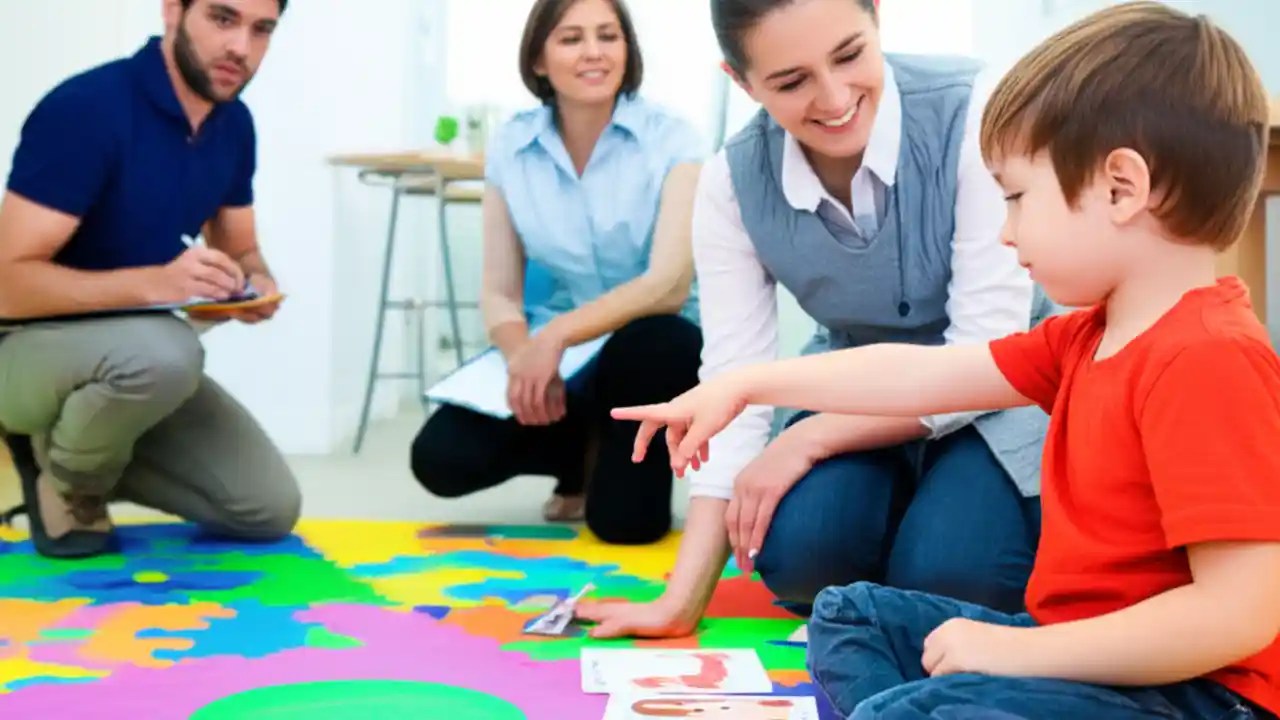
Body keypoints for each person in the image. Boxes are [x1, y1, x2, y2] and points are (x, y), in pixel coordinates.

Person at [613, 2, 1280, 717]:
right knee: (847, 617)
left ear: (1122, 187)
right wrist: (746, 385)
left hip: (1188, 696)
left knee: (934, 694)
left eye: (1019, 199)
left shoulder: (1208, 360)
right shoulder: (1085, 336)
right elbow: (914, 372)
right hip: (1071, 655)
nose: (1007, 230)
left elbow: (1240, 615)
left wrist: (1019, 655)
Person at [576, 0, 1048, 638]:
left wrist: (809, 437)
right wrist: (682, 601)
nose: (834, 97)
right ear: (741, 82)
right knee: (799, 559)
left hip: (996, 389)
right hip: (852, 387)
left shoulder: (971, 114)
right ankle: (914, 511)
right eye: (791, 82)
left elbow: (985, 355)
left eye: (851, 54)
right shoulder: (733, 180)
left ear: (877, 15)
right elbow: (732, 381)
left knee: (957, 580)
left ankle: (940, 515)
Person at [0, 0, 299, 559]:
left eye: (262, 30)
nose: (242, 47)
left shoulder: (233, 124)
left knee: (266, 508)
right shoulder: (86, 109)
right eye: (222, 18)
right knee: (167, 350)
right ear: (172, 10)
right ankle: (68, 480)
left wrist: (253, 285)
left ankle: (73, 447)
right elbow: (7, 287)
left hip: (132, 358)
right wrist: (158, 285)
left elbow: (243, 249)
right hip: (21, 351)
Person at [409, 0, 705, 544]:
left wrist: (555, 336)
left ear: (627, 49)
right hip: (569, 356)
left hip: (653, 349)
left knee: (625, 526)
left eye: (608, 36)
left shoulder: (675, 140)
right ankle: (579, 453)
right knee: (440, 459)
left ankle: (611, 456)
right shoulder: (511, 146)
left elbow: (668, 285)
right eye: (571, 39)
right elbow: (499, 291)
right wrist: (524, 355)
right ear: (539, 60)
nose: (594, 52)